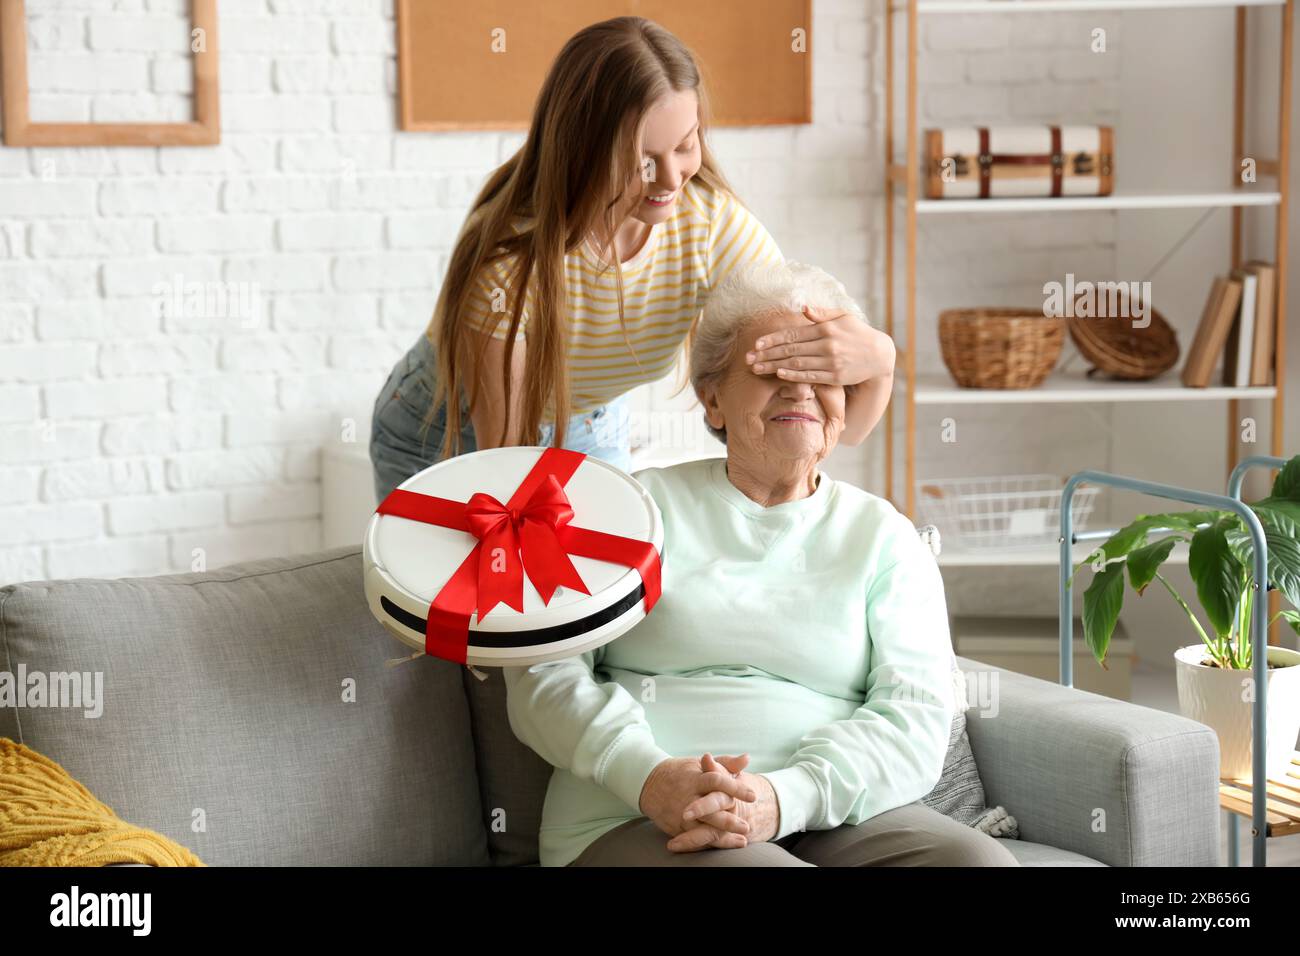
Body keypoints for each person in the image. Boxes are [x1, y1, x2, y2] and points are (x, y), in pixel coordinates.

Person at [502, 262, 1020, 867]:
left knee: (977, 864)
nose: (800, 388)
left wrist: (783, 798)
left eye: (821, 373)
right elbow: (544, 675)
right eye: (773, 367)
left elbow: (914, 715)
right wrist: (648, 777)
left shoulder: (884, 537)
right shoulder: (629, 511)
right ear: (713, 399)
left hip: (830, 813)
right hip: (635, 815)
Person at [369, 16, 896, 505]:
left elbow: (838, 426)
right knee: (478, 596)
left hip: (589, 421)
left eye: (686, 146)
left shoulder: (712, 228)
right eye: (643, 160)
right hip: (437, 430)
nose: (671, 179)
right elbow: (507, 464)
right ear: (583, 151)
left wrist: (879, 362)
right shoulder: (512, 260)